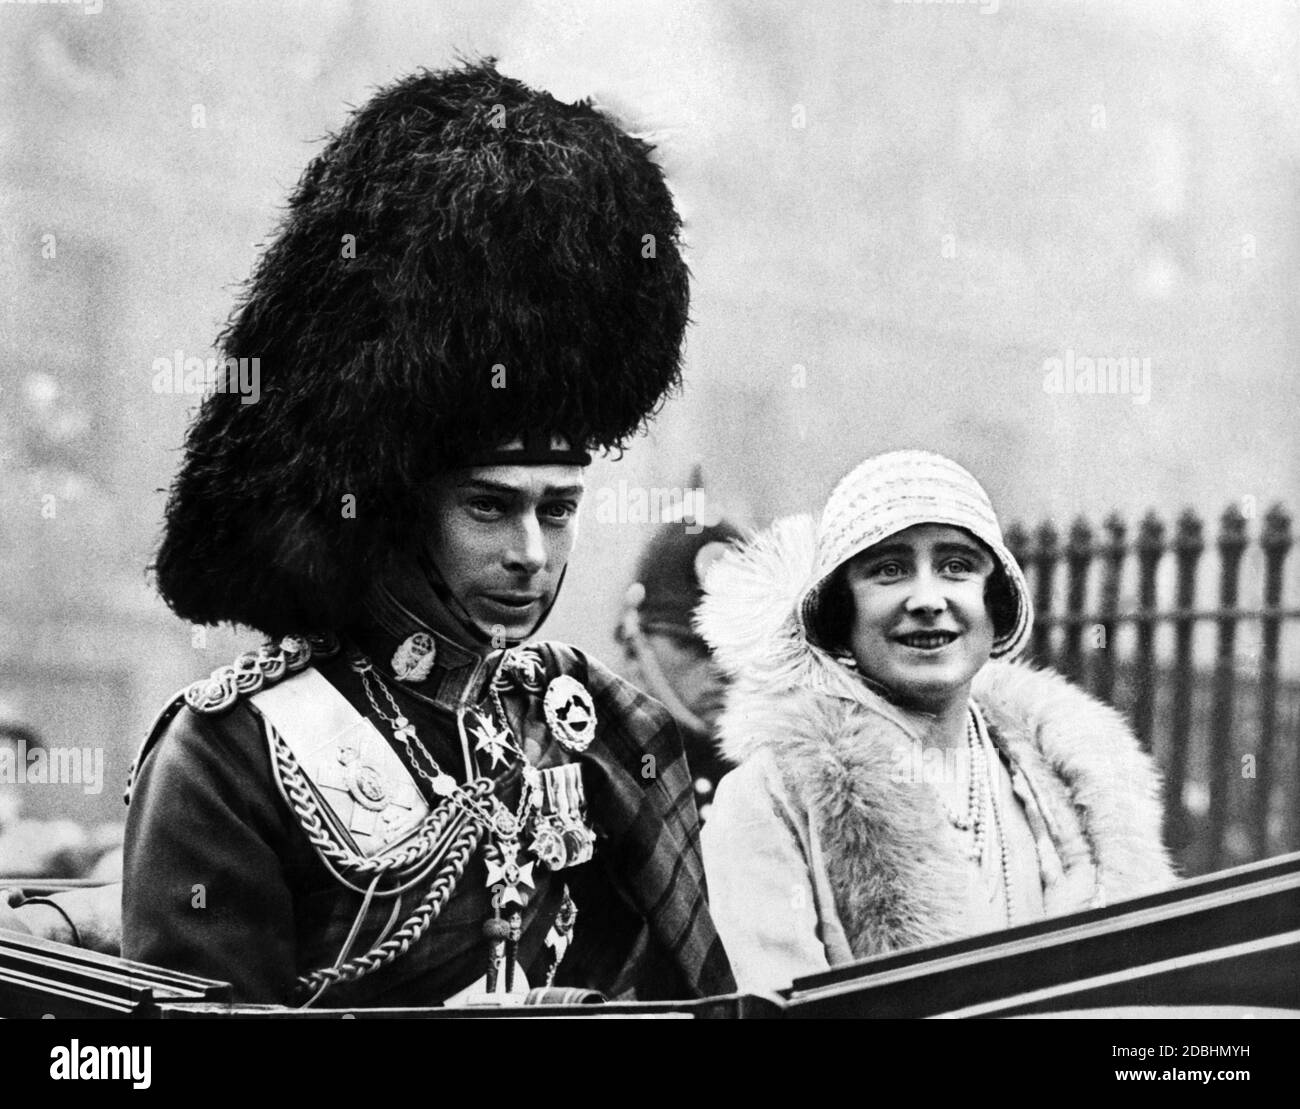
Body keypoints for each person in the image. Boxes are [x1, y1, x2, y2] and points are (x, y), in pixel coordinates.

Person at [108, 61, 731, 1007]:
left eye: (556, 509)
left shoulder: (592, 722)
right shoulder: (227, 752)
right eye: (489, 506)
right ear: (396, 502)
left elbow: (694, 996)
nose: (531, 550)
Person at [697, 450, 1174, 994]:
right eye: (889, 570)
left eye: (957, 566)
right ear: (841, 614)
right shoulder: (766, 800)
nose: (928, 600)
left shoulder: (1067, 781)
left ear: (993, 605)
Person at [616, 510, 744, 817]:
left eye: (738, 646)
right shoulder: (602, 773)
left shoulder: (789, 777)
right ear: (635, 648)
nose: (722, 668)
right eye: (690, 645)